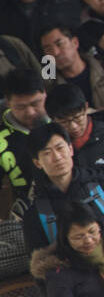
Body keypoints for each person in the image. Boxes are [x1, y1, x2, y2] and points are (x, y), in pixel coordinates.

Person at [18, 121, 104, 253]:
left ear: (70, 149)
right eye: (47, 153)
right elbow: (41, 265)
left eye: (60, 148)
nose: (57, 157)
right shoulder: (35, 216)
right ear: (37, 162)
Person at [0, 69, 50, 217]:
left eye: (35, 103)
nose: (30, 112)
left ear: (44, 94)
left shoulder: (64, 119)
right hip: (27, 214)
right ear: (8, 102)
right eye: (20, 107)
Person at [38, 23, 104, 111]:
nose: (55, 53)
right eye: (48, 49)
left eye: (59, 44)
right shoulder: (50, 88)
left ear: (75, 43)